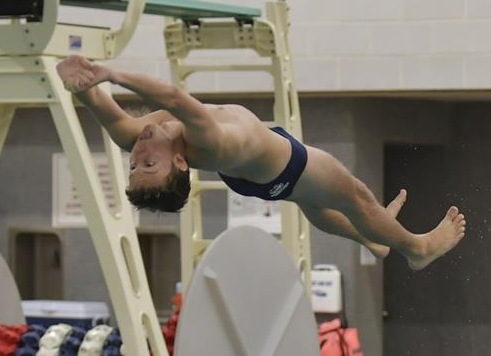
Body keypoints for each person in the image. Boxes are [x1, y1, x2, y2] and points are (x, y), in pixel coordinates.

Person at [58, 55, 466, 269]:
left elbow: (100, 108)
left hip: (251, 174)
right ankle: (417, 248)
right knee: (357, 198)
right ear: (181, 164)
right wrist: (110, 73)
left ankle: (371, 240)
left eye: (134, 166)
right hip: (286, 164)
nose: (139, 156)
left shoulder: (148, 137)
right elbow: (173, 97)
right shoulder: (207, 138)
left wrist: (74, 79)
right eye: (150, 166)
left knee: (314, 206)